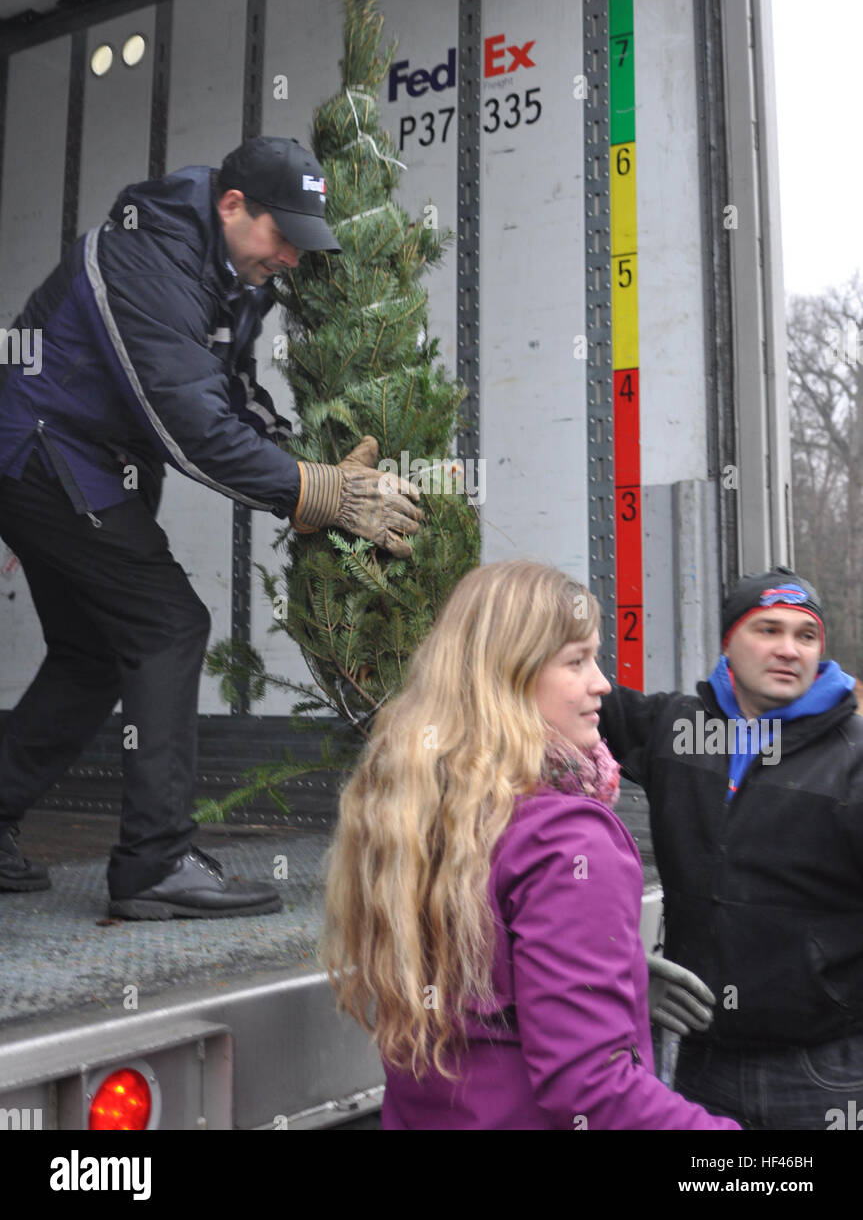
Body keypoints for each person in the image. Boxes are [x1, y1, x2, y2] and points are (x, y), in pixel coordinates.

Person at [0, 135, 422, 919]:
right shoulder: (144, 257)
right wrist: (309, 491)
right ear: (233, 205)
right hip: (44, 449)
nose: (292, 258)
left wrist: (302, 462)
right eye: (282, 236)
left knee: (94, 652)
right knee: (169, 624)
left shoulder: (235, 269)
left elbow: (227, 393)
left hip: (75, 461)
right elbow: (187, 422)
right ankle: (154, 866)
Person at [319, 559, 741, 1129]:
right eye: (577, 662)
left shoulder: (419, 811)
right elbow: (594, 1090)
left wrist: (604, 970)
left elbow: (485, 985)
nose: (603, 683)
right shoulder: (568, 841)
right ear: (509, 679)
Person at [599, 565, 863, 1130]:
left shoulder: (853, 760)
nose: (789, 649)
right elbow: (557, 694)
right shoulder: (676, 728)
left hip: (824, 1076)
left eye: (805, 635)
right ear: (727, 641)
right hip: (700, 1065)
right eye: (767, 630)